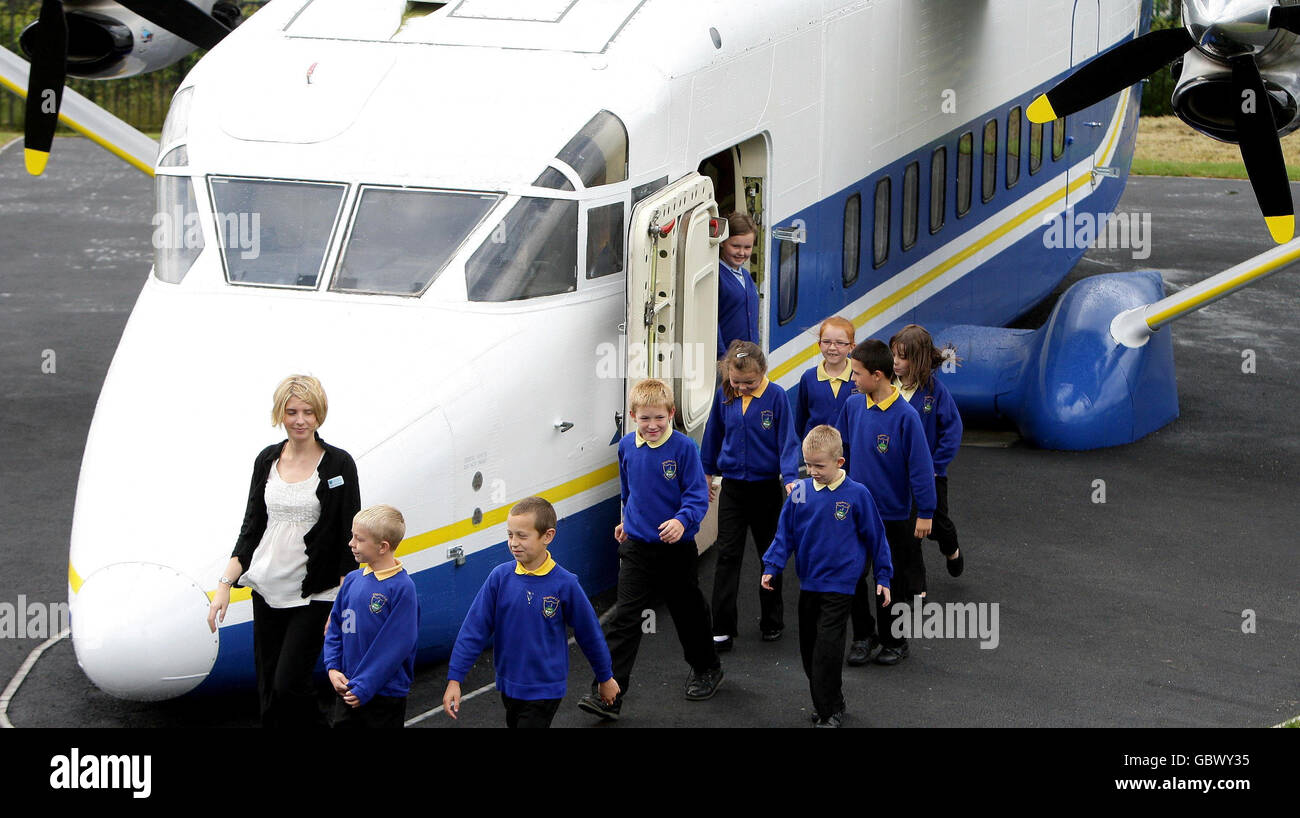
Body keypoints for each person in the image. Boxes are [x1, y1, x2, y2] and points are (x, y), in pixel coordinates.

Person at [208, 374, 361, 728]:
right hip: (267, 589)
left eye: (308, 411)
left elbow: (347, 537)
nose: (300, 420)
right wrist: (224, 585)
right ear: (281, 413)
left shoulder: (339, 465)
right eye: (292, 411)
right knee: (269, 693)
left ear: (319, 414)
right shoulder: (266, 461)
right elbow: (252, 527)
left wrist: (344, 601)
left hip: (317, 594)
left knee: (289, 683)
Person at [577, 379, 723, 721]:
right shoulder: (627, 447)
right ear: (633, 417)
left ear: (672, 413)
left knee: (687, 613)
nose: (653, 425)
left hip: (676, 549)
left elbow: (697, 496)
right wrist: (626, 519)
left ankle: (707, 668)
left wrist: (682, 521)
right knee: (626, 618)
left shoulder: (685, 449)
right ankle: (608, 693)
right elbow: (628, 490)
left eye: (659, 417)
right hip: (637, 549)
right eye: (645, 419)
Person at [443, 497, 618, 728]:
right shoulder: (500, 577)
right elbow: (475, 628)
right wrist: (455, 678)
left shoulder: (565, 584)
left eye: (522, 536)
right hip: (509, 686)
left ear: (548, 536)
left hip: (545, 689)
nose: (514, 543)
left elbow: (590, 634)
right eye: (510, 535)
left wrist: (605, 677)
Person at [761, 426, 892, 727]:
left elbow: (877, 538)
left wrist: (883, 577)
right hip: (809, 584)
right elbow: (785, 537)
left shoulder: (858, 495)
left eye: (819, 465)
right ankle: (832, 699)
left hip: (841, 586)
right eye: (808, 464)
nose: (812, 471)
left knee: (827, 650)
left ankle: (828, 712)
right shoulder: (800, 495)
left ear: (839, 463)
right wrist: (772, 566)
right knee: (809, 649)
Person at [834, 341, 935, 666]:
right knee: (851, 575)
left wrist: (926, 513)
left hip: (894, 516)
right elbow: (841, 450)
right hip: (857, 514)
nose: (852, 378)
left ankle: (895, 640)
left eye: (858, 373)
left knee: (889, 580)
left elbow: (920, 468)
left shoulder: (906, 417)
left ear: (877, 375)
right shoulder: (852, 407)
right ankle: (864, 636)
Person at [701, 341, 801, 651]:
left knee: (769, 555)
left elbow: (788, 440)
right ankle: (721, 628)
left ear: (763, 373)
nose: (742, 388)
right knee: (728, 555)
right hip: (733, 487)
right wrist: (706, 472)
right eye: (736, 382)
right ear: (727, 374)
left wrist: (791, 477)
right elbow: (713, 434)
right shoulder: (724, 396)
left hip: (766, 488)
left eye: (749, 383)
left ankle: (772, 619)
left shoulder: (776, 397)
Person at [322, 505, 419, 728]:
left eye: (359, 539)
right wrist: (333, 668)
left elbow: (396, 646)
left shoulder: (402, 588)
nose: (351, 543)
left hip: (384, 695)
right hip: (348, 689)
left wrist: (365, 686)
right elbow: (336, 627)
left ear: (383, 546)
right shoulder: (353, 580)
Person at [891, 324, 964, 583]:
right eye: (894, 356)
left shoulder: (935, 392)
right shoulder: (888, 388)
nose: (896, 362)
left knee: (937, 524)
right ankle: (916, 585)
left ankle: (951, 549)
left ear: (918, 359)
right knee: (910, 529)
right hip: (898, 476)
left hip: (930, 473)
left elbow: (952, 430)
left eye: (903, 357)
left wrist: (936, 464)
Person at [794, 316, 859, 438]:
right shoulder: (809, 378)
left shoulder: (860, 377)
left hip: (850, 452)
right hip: (816, 453)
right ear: (819, 344)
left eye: (840, 343)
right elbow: (800, 420)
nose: (832, 347)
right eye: (826, 342)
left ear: (852, 347)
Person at [716, 212, 761, 358]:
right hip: (727, 362)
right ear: (723, 242)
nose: (741, 253)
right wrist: (722, 357)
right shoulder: (717, 276)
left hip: (748, 360)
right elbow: (712, 322)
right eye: (735, 246)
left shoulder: (746, 275)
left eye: (747, 247)